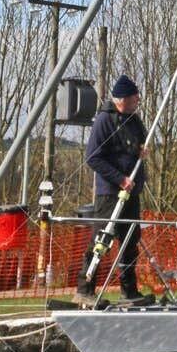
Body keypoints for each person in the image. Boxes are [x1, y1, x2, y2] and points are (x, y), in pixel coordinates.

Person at [75, 76, 153, 307]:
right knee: (102, 239)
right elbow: (93, 157)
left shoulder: (133, 120)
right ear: (122, 99)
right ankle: (85, 289)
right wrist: (119, 179)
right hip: (110, 194)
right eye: (134, 98)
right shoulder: (104, 120)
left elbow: (137, 143)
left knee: (130, 241)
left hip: (132, 193)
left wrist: (141, 151)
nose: (137, 102)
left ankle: (129, 291)